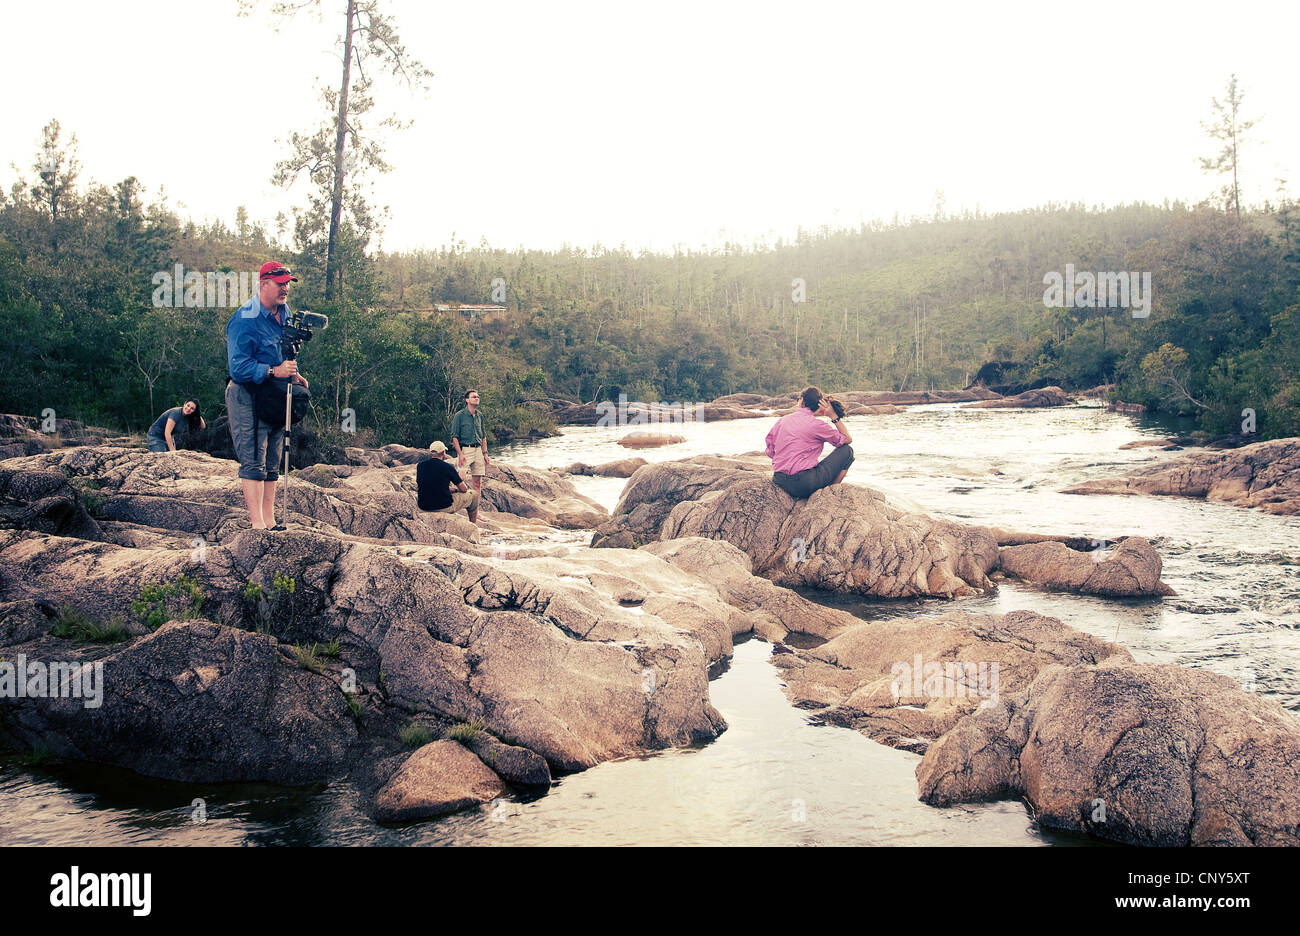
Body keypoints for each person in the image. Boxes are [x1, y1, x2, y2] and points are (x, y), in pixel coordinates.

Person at [225, 261, 308, 530]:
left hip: (274, 394)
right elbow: (237, 367)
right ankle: (257, 525)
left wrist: (293, 373)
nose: (285, 288)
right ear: (263, 284)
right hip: (246, 394)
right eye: (279, 283)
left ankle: (270, 521)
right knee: (253, 458)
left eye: (287, 283)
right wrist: (274, 370)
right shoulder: (244, 319)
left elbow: (284, 351)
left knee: (273, 457)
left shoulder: (285, 312)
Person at [764, 386, 854, 499]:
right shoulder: (817, 425)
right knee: (847, 451)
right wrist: (833, 416)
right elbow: (847, 439)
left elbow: (770, 451)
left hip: (779, 480)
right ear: (817, 406)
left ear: (801, 400)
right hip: (804, 484)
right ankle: (831, 493)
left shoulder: (782, 420)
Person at [417, 441, 480, 524]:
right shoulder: (448, 467)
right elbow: (464, 489)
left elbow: (427, 485)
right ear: (443, 452)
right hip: (443, 507)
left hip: (423, 507)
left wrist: (449, 489)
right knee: (474, 495)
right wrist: (458, 486)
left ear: (431, 452)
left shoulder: (420, 466)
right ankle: (473, 525)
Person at [449, 388, 490, 495]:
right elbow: (454, 437)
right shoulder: (459, 416)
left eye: (478, 397)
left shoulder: (479, 415)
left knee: (477, 483)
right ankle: (451, 502)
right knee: (460, 478)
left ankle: (475, 510)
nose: (477, 398)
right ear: (467, 400)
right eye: (474, 397)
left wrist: (485, 454)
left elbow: (483, 436)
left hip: (478, 451)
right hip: (465, 450)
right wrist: (460, 454)